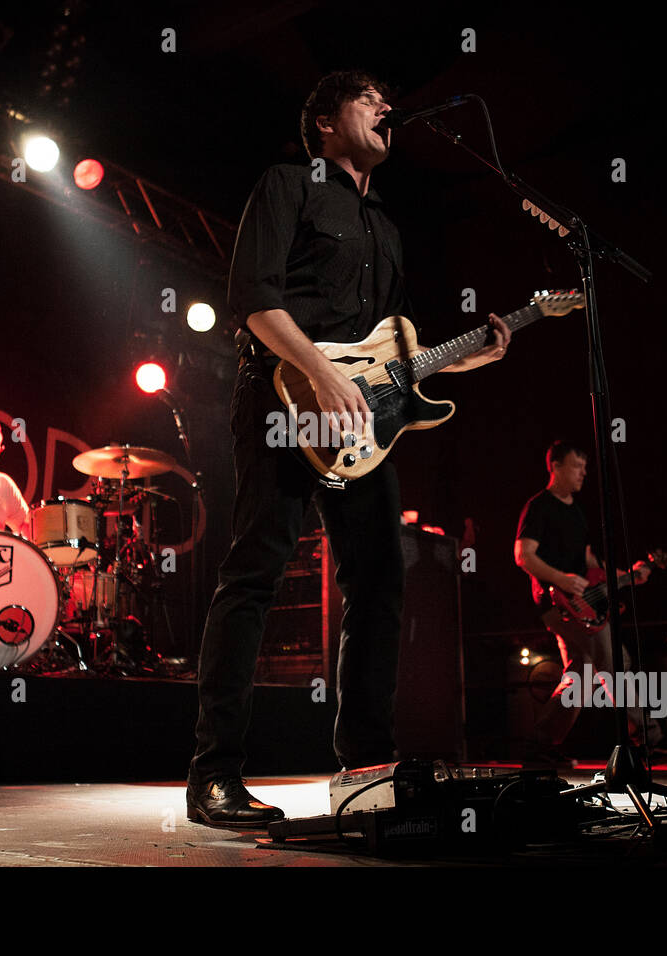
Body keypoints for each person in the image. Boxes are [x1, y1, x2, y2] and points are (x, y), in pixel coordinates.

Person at [187, 70, 512, 828]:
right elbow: (251, 297)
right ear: (325, 123)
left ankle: (366, 765)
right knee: (256, 572)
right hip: (285, 397)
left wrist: (473, 353)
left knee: (380, 582)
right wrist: (318, 371)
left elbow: (394, 350)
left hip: (361, 423)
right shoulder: (287, 184)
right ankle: (214, 777)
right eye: (369, 99)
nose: (386, 109)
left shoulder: (387, 229)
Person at [514, 440, 667, 758]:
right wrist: (561, 578)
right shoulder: (539, 506)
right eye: (576, 465)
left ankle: (540, 743)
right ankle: (648, 738)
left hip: (584, 606)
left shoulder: (578, 514)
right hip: (558, 604)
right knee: (616, 663)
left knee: (580, 678)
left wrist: (629, 574)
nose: (584, 472)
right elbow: (523, 556)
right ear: (554, 466)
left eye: (585, 466)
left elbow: (591, 564)